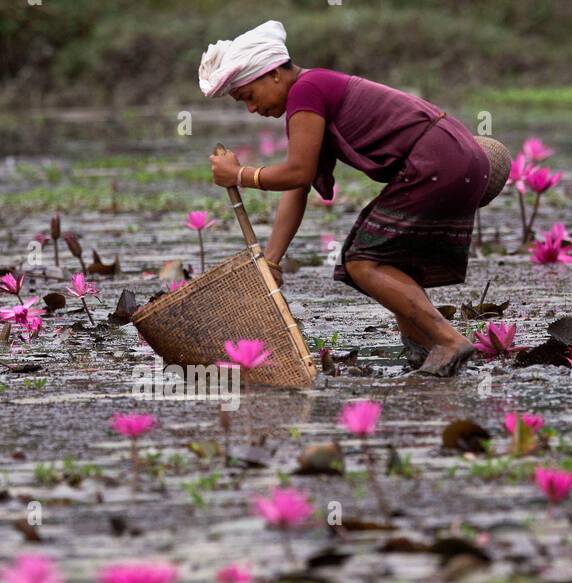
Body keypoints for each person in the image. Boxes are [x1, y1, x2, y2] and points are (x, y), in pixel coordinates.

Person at [200, 20, 491, 376]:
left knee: (362, 260)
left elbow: (297, 172)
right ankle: (424, 348)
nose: (251, 108)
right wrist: (272, 260)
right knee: (392, 260)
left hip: (437, 159)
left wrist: (240, 175)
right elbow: (298, 186)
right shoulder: (312, 91)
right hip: (455, 155)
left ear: (274, 74)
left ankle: (447, 340)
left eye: (248, 96)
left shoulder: (307, 90)